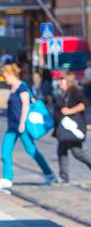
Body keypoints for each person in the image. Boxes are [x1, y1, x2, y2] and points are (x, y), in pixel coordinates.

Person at [1, 62, 55, 190]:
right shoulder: (13, 88)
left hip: (21, 126)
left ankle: (49, 174)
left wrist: (22, 123)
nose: (4, 79)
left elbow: (26, 104)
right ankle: (7, 178)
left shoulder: (22, 87)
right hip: (12, 126)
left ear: (9, 74)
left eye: (4, 76)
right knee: (4, 152)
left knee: (32, 151)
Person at [51, 72, 91, 185]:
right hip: (64, 130)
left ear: (68, 81)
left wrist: (69, 111)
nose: (59, 82)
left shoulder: (74, 91)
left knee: (77, 152)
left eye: (61, 80)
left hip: (73, 128)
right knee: (61, 151)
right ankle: (64, 177)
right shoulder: (63, 93)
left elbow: (84, 104)